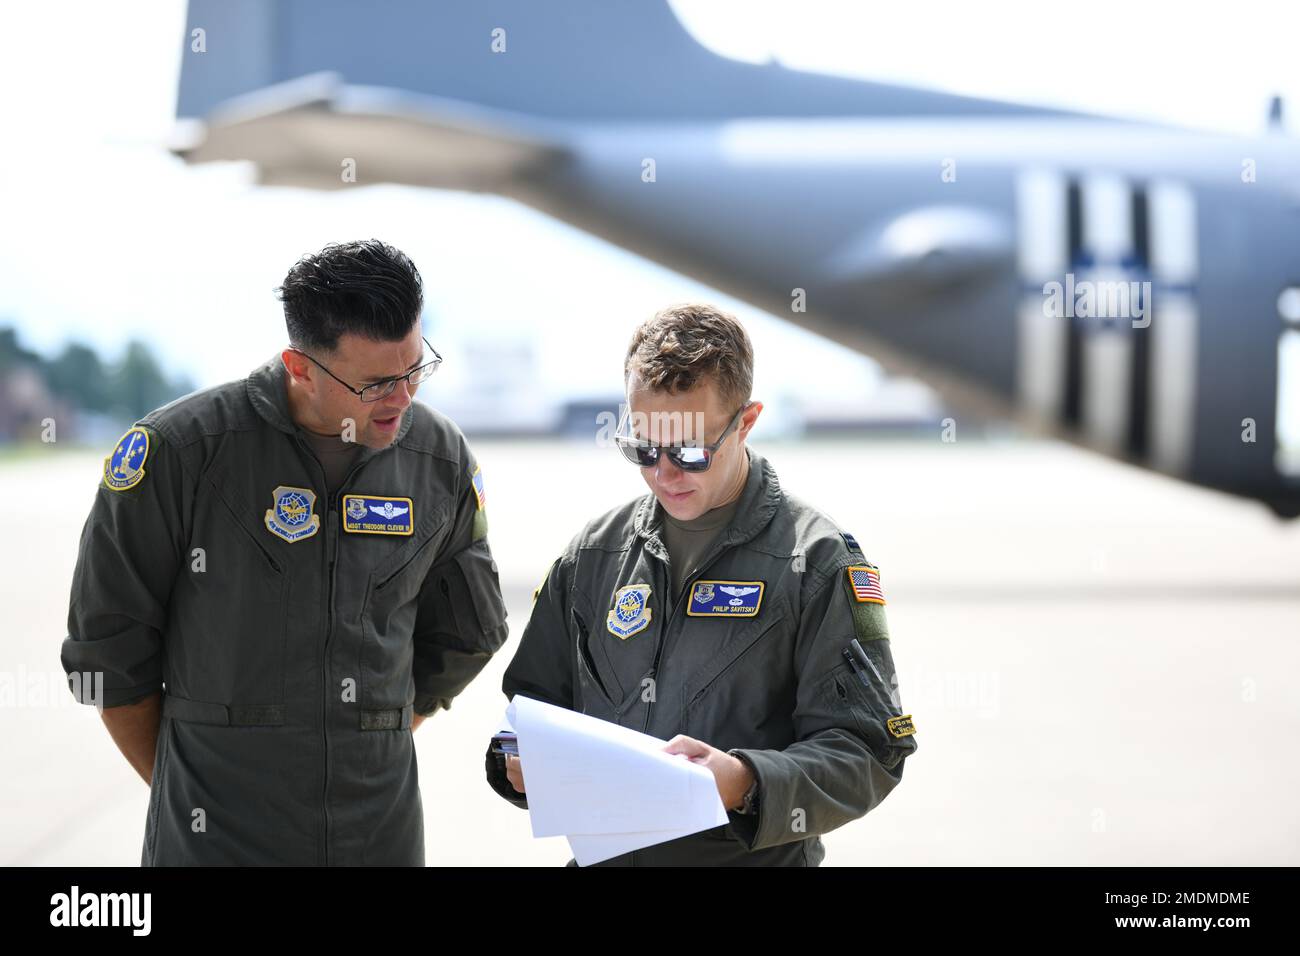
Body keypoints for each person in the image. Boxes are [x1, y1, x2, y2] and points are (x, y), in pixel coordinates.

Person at [61, 239, 508, 865]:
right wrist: (191, 780)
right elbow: (108, 652)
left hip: (376, 833)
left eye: (414, 369)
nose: (403, 399)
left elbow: (468, 630)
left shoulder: (439, 460)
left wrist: (367, 733)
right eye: (377, 382)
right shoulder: (180, 453)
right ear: (299, 367)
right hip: (216, 839)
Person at [484, 303, 918, 866]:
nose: (664, 473)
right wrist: (516, 763)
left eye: (689, 452)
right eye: (643, 448)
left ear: (747, 421)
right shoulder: (595, 552)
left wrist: (744, 780)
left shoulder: (816, 559)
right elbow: (530, 707)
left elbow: (869, 751)